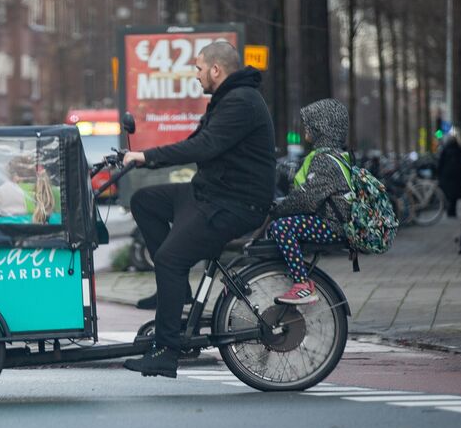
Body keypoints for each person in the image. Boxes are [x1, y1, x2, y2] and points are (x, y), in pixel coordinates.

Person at [120, 41, 276, 378]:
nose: (196, 74)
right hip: (209, 193)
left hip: (234, 203)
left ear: (216, 70)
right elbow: (197, 140)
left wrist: (147, 157)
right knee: (144, 202)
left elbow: (204, 146)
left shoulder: (241, 103)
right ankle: (177, 290)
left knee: (170, 259)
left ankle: (165, 352)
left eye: (199, 68)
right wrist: (140, 157)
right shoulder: (227, 99)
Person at [265, 99, 353, 305]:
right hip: (330, 220)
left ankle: (302, 284)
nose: (306, 127)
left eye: (310, 123)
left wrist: (278, 209)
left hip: (332, 225)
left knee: (281, 228)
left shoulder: (325, 159)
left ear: (322, 127)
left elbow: (307, 199)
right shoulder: (331, 154)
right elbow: (307, 182)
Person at [437, 132, 461, 217]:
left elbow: (440, 163)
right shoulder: (459, 150)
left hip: (446, 175)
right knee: (454, 195)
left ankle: (449, 210)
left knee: (447, 193)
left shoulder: (445, 150)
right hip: (457, 176)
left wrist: (438, 173)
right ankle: (452, 211)